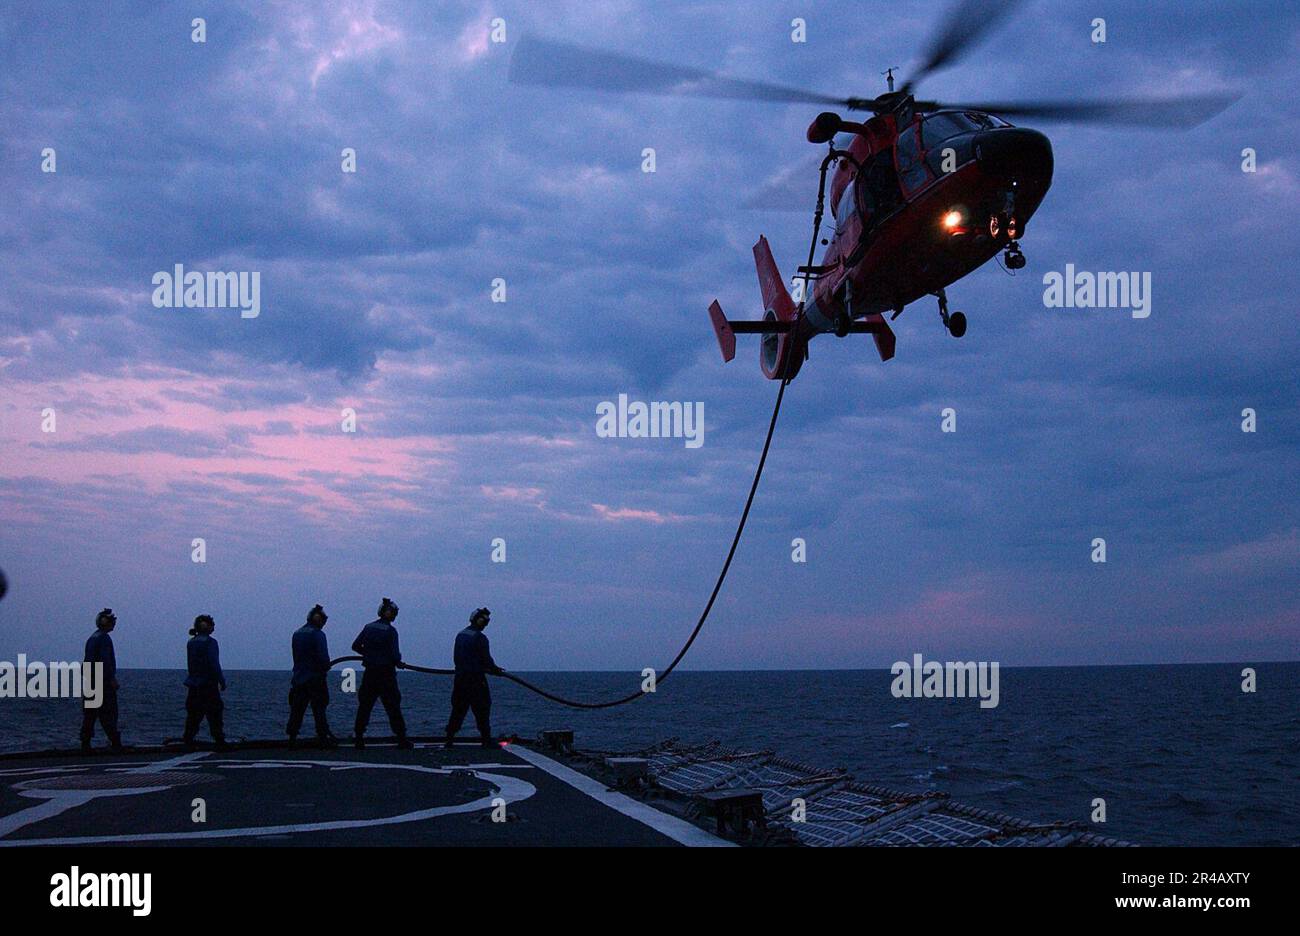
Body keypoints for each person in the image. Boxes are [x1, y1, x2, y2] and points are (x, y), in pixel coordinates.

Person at [351, 598, 412, 749]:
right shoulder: (391, 631)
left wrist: (369, 655)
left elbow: (355, 646)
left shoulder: (368, 627)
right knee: (393, 707)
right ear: (390, 614)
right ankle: (401, 739)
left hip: (370, 673)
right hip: (386, 675)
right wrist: (397, 662)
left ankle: (358, 738)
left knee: (365, 706)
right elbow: (395, 655)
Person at [445, 607, 504, 748]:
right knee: (482, 708)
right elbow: (486, 660)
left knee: (458, 710)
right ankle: (486, 739)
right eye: (485, 621)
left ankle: (449, 738)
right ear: (480, 620)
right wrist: (495, 669)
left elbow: (457, 658)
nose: (485, 624)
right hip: (475, 680)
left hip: (460, 679)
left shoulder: (460, 635)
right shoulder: (480, 638)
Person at [287, 604, 337, 746]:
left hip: (298, 679)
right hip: (316, 679)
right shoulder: (318, 634)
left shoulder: (297, 633)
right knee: (319, 709)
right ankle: (323, 738)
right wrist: (325, 666)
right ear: (320, 620)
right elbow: (323, 657)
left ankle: (292, 738)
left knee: (297, 710)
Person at [183, 614, 228, 750]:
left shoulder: (191, 642)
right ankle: (219, 740)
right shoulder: (210, 642)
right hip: (208, 685)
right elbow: (214, 663)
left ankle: (188, 738)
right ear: (208, 626)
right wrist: (221, 680)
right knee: (214, 713)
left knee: (193, 714)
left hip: (193, 684)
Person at [80, 608, 123, 753]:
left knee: (90, 714)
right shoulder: (104, 638)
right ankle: (115, 742)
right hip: (102, 682)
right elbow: (105, 661)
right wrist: (111, 679)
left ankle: (85, 743)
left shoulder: (92, 637)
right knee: (108, 713)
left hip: (90, 681)